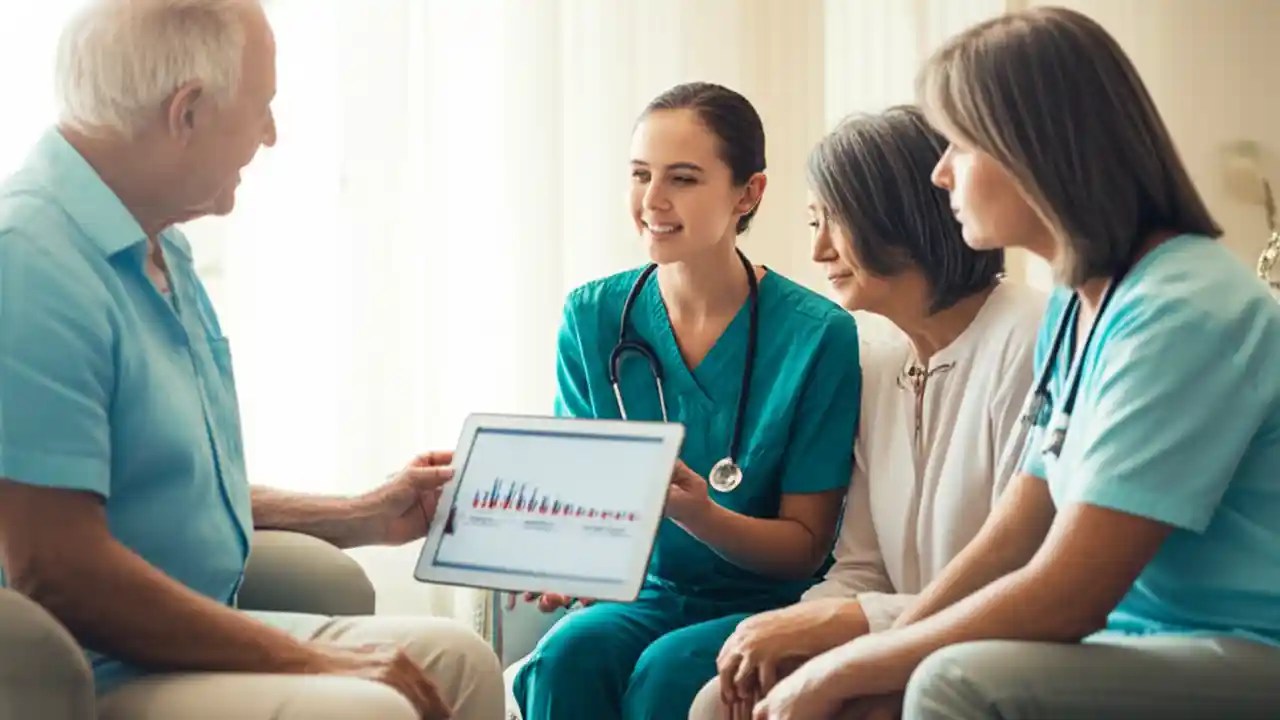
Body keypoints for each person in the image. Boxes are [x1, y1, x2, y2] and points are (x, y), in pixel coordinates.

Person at [750, 7, 1280, 720]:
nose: (940, 175)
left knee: (949, 683)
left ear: (1034, 147)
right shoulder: (1079, 303)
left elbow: (1069, 588)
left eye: (959, 146)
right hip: (1135, 640)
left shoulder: (1183, 309)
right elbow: (1016, 531)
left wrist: (852, 667)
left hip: (1239, 644)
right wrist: (865, 656)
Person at [0, 2, 502, 719]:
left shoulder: (157, 243)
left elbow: (166, 484)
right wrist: (322, 661)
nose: (269, 134)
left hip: (188, 636)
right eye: (261, 107)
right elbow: (57, 570)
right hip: (91, 665)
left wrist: (362, 514)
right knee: (372, 706)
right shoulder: (29, 260)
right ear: (188, 112)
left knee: (458, 661)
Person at [508, 82, 862, 719]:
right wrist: (563, 556)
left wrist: (700, 513)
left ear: (748, 193)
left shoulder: (817, 336)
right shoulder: (593, 318)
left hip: (769, 602)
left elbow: (805, 547)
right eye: (640, 174)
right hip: (647, 593)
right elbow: (584, 502)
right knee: (564, 660)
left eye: (684, 178)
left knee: (668, 675)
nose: (652, 201)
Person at [686, 106, 1045, 720]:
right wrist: (788, 630)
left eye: (836, 220)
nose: (819, 248)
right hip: (904, 635)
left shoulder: (1031, 339)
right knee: (723, 698)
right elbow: (862, 566)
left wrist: (843, 626)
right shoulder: (876, 358)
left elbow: (1026, 576)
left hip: (1003, 645)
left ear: (904, 215)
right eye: (812, 221)